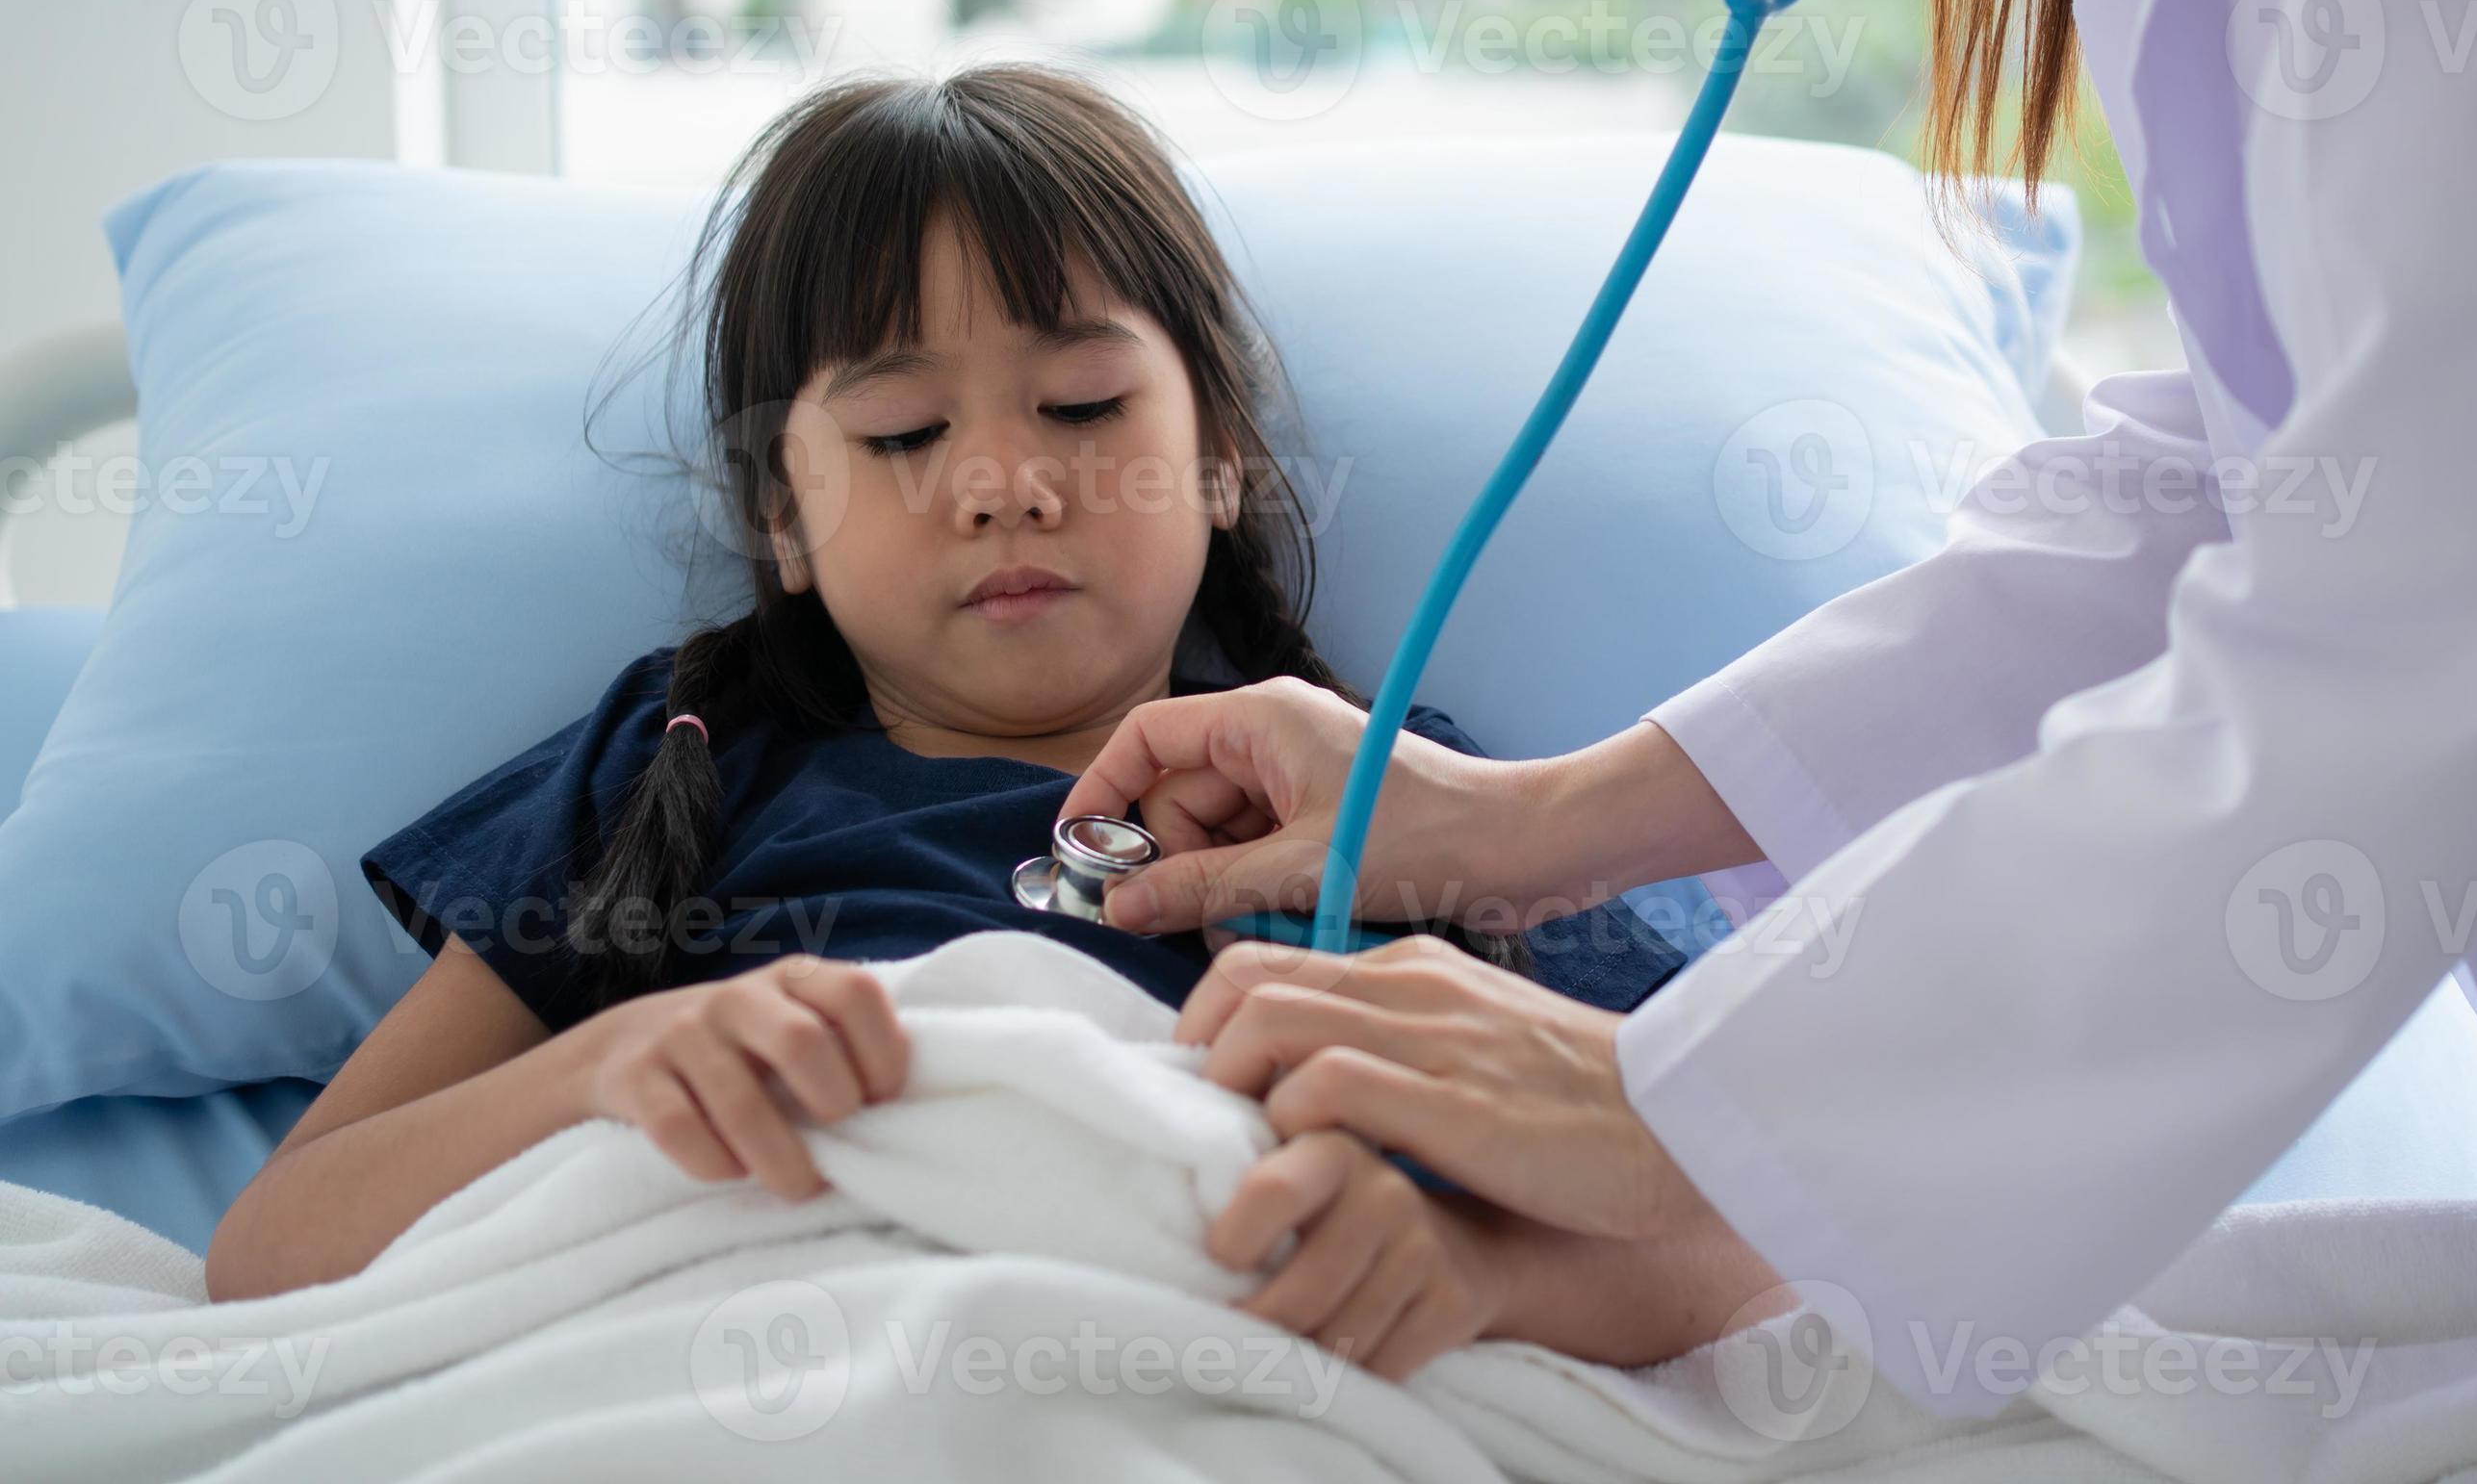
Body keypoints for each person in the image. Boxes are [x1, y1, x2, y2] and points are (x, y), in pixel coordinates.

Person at [1057, 0, 2477, 1478]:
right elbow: (2271, 465)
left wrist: (1691, 1109)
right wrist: (1530, 818)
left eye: (1079, 403)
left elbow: (2466, 566)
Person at [206, 67, 1779, 1381]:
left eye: (1085, 410)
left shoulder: (1405, 803)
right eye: (901, 432)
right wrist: (619, 1063)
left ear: (1219, 454)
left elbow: (1750, 1234)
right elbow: (275, 1252)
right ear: (783, 519)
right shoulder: (676, 772)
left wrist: (1483, 1273)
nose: (1003, 481)